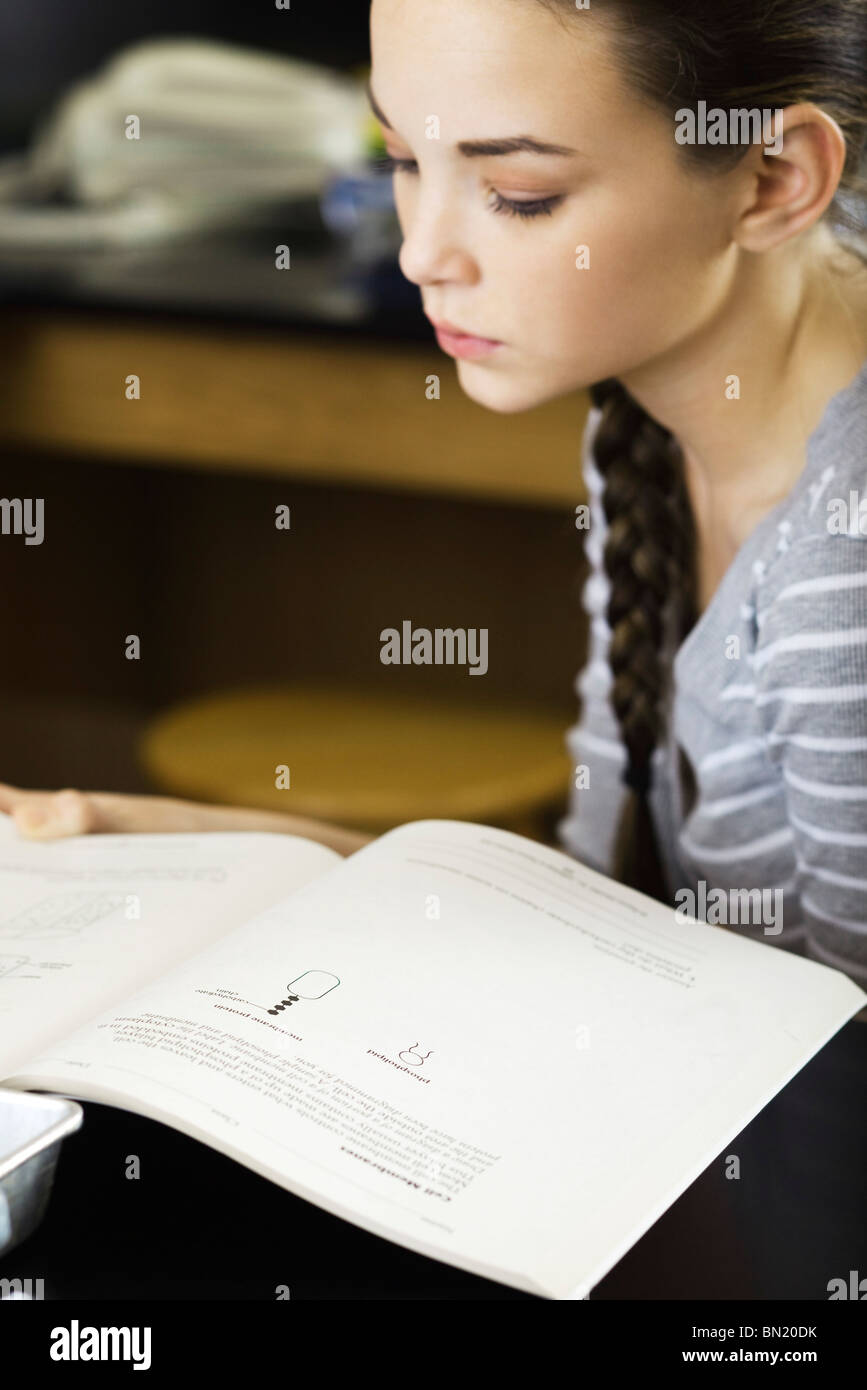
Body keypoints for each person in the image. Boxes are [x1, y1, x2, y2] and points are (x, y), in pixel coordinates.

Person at [2, 0, 866, 1299]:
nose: (421, 252)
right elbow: (608, 924)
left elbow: (829, 1104)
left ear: (772, 177)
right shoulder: (659, 402)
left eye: (517, 193)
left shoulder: (842, 555)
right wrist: (173, 842)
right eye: (404, 157)